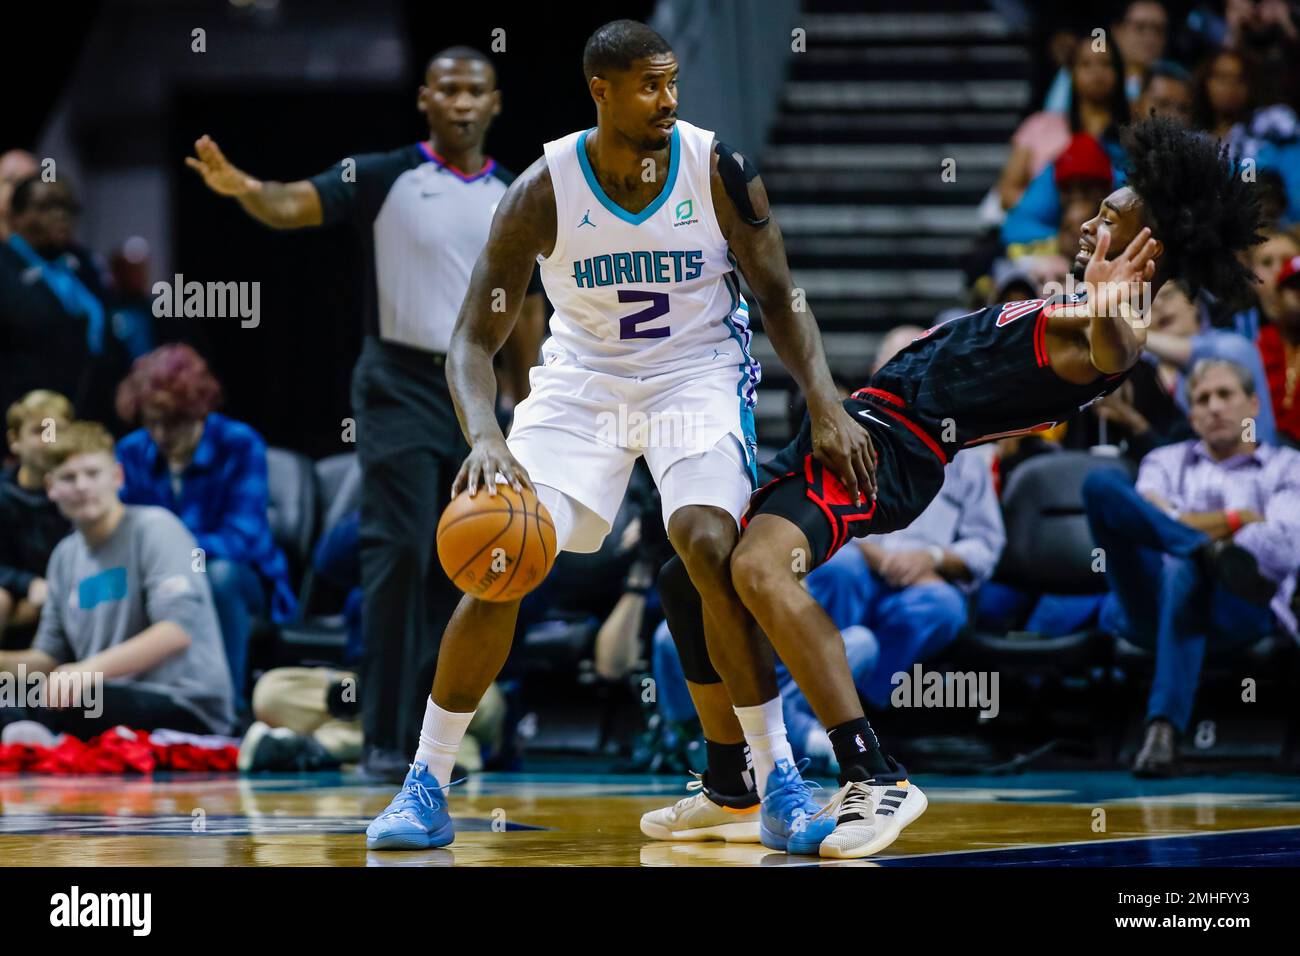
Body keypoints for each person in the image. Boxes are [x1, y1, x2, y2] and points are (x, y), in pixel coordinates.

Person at [647, 116, 1268, 858]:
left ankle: (874, 775)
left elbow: (1114, 350)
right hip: (865, 423)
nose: (1089, 220)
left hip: (892, 449)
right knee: (688, 577)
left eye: (1109, 215)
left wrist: (1111, 311)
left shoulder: (1109, 327)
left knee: (755, 568)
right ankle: (730, 780)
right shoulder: (1073, 306)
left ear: (1148, 245)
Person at [365, 19, 871, 854]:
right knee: (501, 559)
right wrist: (485, 434)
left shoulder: (717, 170)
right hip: (583, 385)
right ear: (600, 89)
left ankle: (778, 776)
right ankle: (425, 784)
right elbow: (469, 341)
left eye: (672, 81)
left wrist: (824, 399)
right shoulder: (542, 187)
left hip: (696, 374)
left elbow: (782, 300)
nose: (668, 99)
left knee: (704, 541)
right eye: (648, 84)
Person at [186, 47, 546, 782]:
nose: (462, 101)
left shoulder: (518, 193)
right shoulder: (382, 175)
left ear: (496, 103)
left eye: (476, 89)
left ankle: (445, 733)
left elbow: (529, 310)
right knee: (401, 552)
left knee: (479, 563)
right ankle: (385, 740)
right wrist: (243, 187)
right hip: (398, 381)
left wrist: (525, 407)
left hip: (477, 393)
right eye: (448, 88)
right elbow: (292, 205)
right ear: (425, 99)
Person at [1083, 358, 1300, 776]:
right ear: (1191, 414)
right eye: (1202, 399)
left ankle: (1163, 727)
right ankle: (1202, 552)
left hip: (1242, 609)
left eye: (1225, 395)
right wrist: (1238, 520)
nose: (1214, 407)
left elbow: (1284, 546)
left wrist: (1183, 527)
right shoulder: (1165, 460)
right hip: (1149, 606)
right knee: (1101, 485)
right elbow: (1143, 515)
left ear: (1253, 404)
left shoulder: (1286, 466)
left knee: (1186, 565)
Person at [0, 421, 233, 736]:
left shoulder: (159, 528)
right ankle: (39, 745)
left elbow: (176, 631)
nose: (82, 486)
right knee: (9, 696)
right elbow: (47, 656)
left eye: (93, 474)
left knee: (73, 702)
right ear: (51, 487)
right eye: (69, 478)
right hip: (102, 696)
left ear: (117, 477)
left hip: (182, 702)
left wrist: (87, 671)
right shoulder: (64, 557)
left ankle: (44, 743)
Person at [114, 344, 297, 707]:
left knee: (219, 574)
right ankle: (132, 702)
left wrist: (170, 556)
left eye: (175, 422)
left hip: (238, 577)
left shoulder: (240, 444)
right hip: (158, 575)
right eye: (152, 421)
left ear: (199, 409)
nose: (163, 435)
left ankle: (223, 705)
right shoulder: (132, 452)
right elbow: (124, 530)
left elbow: (243, 539)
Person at [0, 391, 73, 646]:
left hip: (69, 590)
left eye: (58, 430)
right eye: (40, 430)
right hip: (19, 594)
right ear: (14, 440)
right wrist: (28, 584)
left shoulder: (80, 492)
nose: (51, 440)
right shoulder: (3, 494)